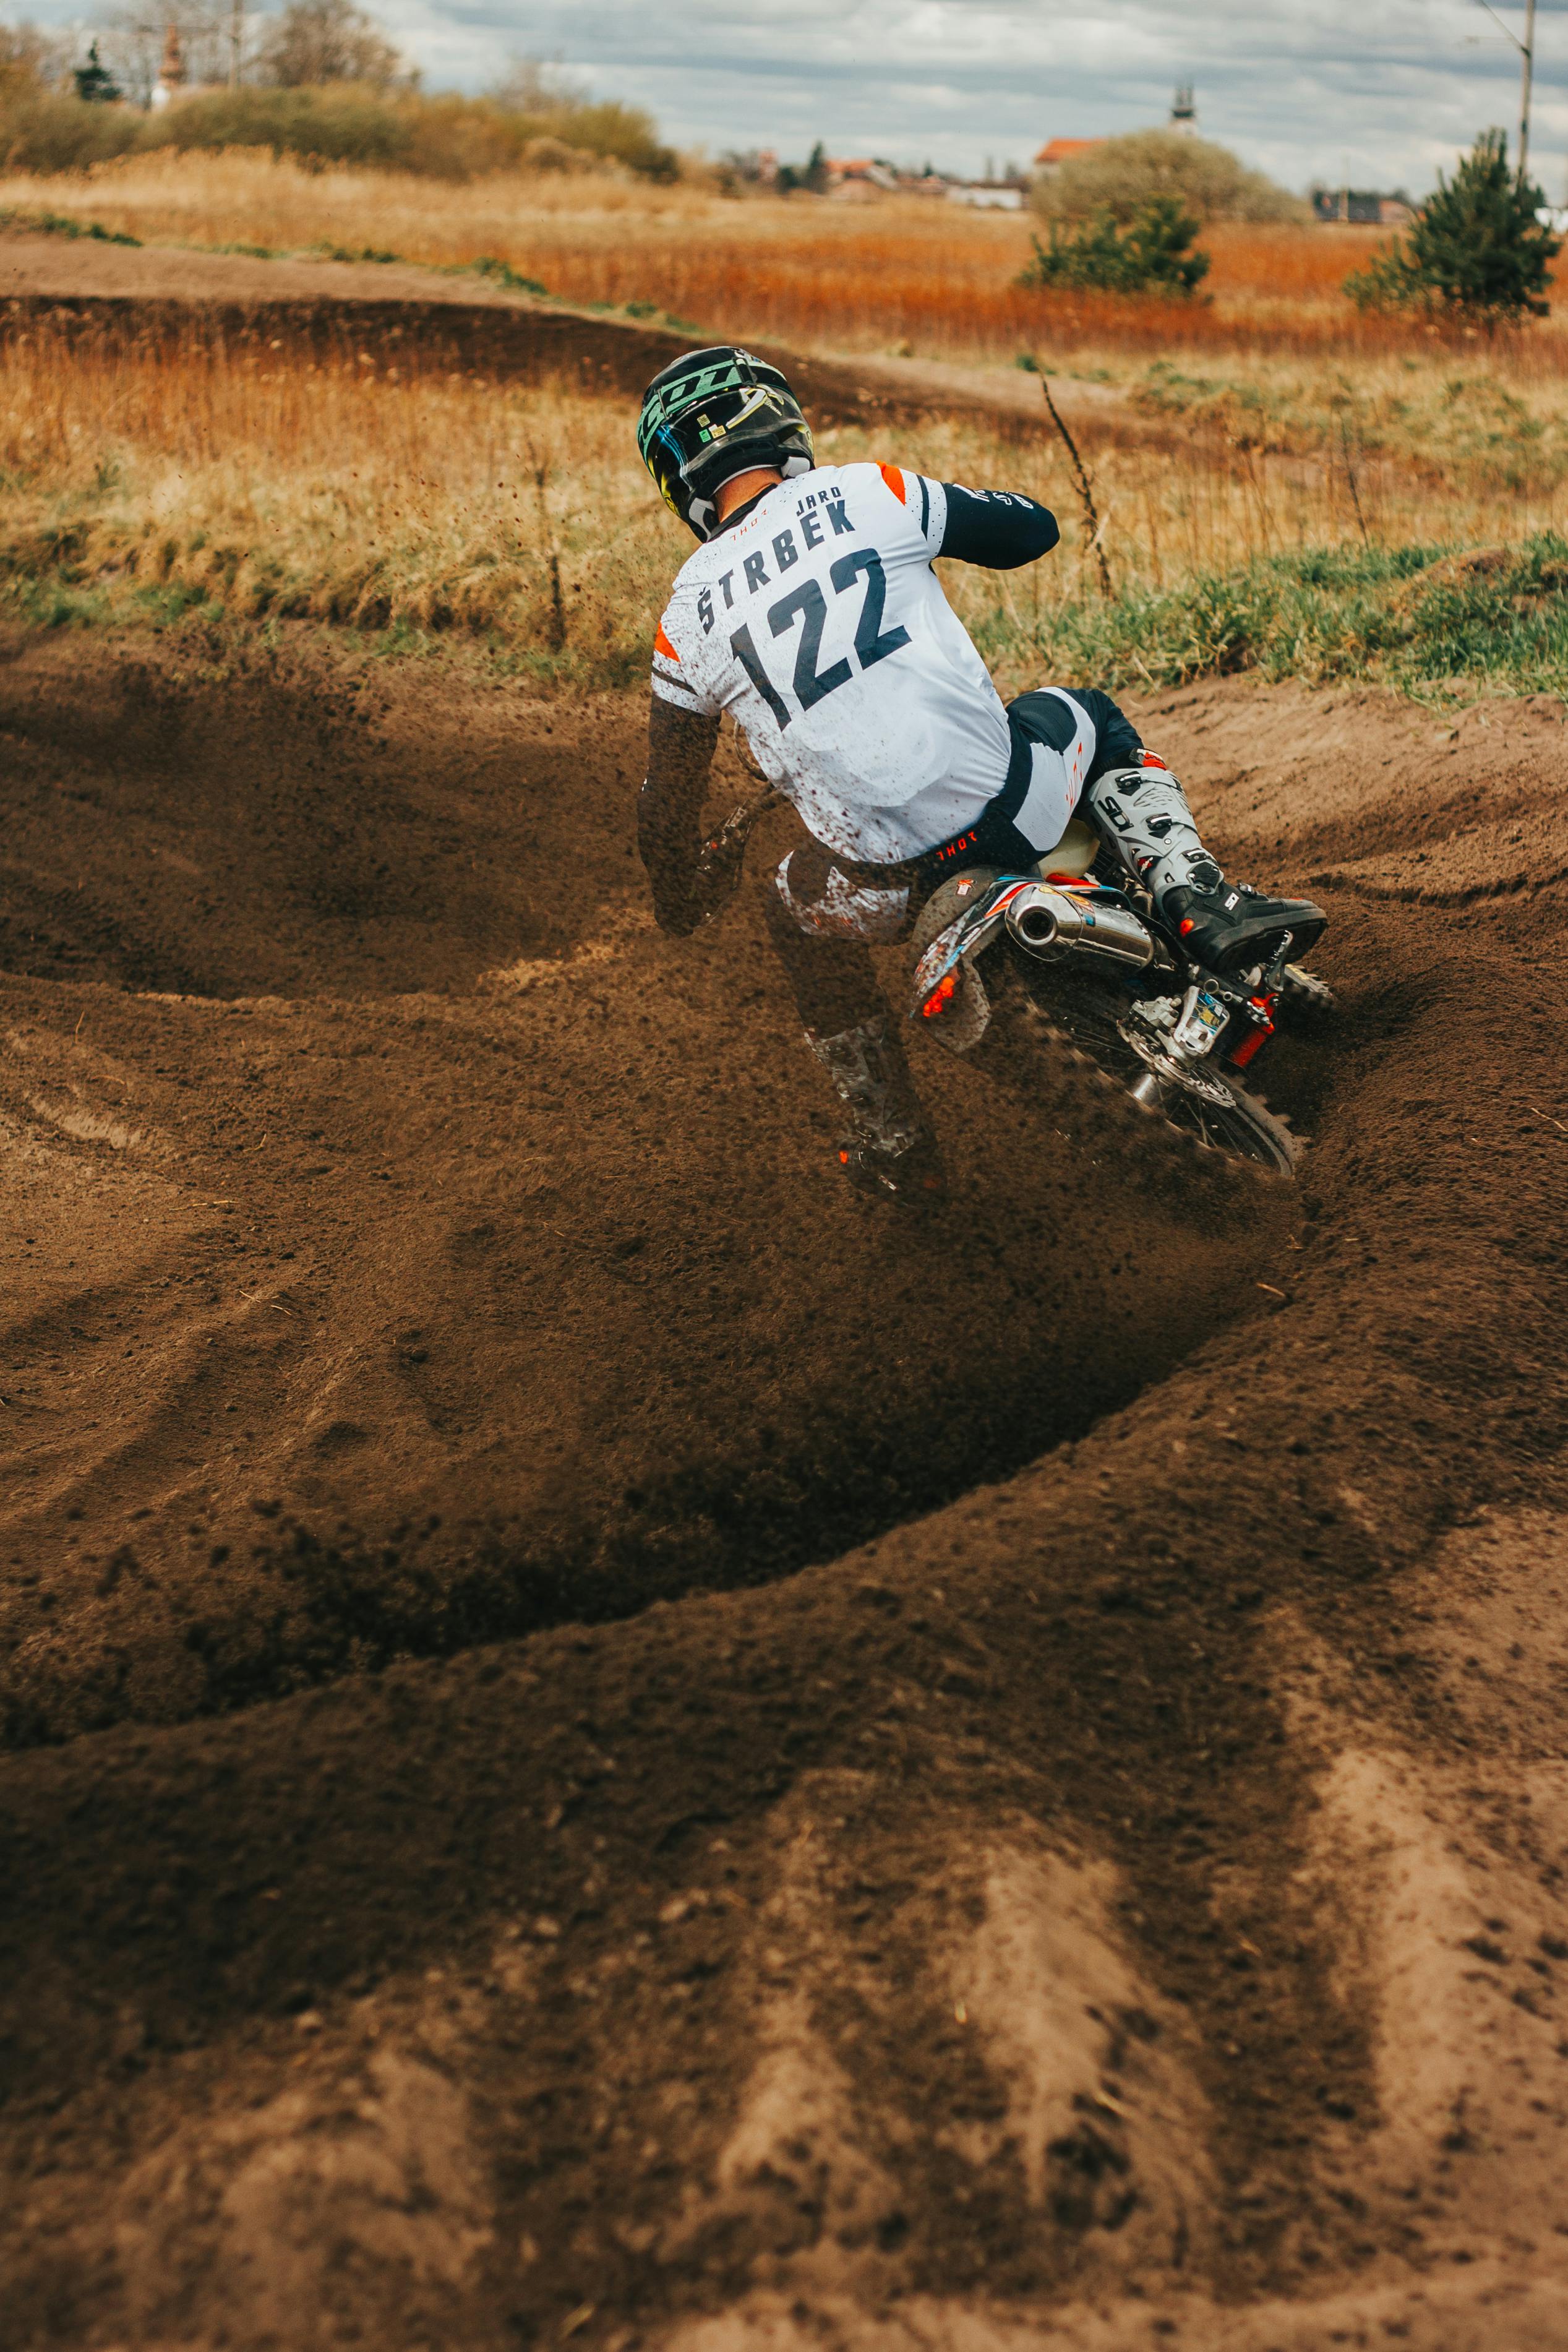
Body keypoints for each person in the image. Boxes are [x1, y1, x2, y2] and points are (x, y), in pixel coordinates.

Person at [636, 345, 1325, 1201]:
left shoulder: (683, 615)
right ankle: (1199, 905)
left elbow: (664, 804)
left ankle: (889, 1131)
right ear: (777, 419)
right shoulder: (860, 490)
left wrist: (681, 888)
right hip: (1011, 808)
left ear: (678, 480)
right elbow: (1029, 530)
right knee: (1090, 713)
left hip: (887, 887)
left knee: (786, 906)